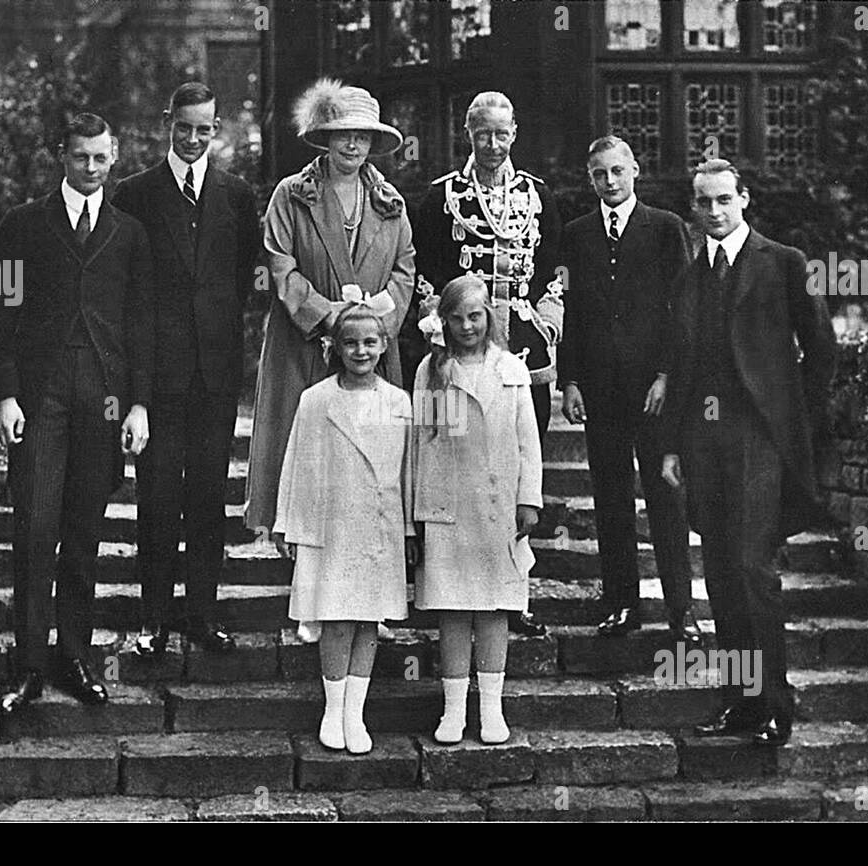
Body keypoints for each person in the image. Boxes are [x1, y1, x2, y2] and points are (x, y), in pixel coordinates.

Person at [660, 159, 836, 746]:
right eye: (702, 202)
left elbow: (821, 350)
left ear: (744, 199)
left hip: (759, 439)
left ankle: (773, 710)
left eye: (723, 200)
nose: (713, 211)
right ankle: (739, 702)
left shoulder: (785, 264)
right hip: (703, 443)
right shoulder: (689, 277)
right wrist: (670, 447)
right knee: (721, 573)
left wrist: (795, 427)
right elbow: (681, 366)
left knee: (753, 568)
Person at [0, 113, 154, 718]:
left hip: (103, 397)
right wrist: (5, 395)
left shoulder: (128, 232)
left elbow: (141, 321)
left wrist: (138, 403)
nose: (90, 168)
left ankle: (75, 656)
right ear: (62, 155)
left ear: (114, 158)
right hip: (40, 394)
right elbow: (0, 315)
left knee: (83, 533)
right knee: (35, 526)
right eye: (80, 157)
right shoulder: (24, 225)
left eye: (101, 159)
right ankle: (29, 665)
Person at [398, 90, 561, 638]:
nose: (493, 144)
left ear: (515, 133)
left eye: (502, 133)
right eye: (482, 133)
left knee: (515, 468)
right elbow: (424, 272)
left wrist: (547, 316)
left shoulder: (539, 196)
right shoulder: (441, 196)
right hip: (457, 348)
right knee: (456, 465)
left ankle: (513, 597)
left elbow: (553, 272)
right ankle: (452, 593)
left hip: (518, 351)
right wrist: (436, 331)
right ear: (467, 134)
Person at [244, 78, 415, 589]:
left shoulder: (390, 202)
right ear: (323, 137)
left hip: (367, 350)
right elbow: (280, 268)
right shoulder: (291, 195)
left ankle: (366, 586)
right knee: (307, 457)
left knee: (368, 463)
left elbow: (405, 271)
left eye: (363, 135)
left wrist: (373, 323)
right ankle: (307, 584)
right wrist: (329, 315)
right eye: (342, 134)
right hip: (305, 345)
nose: (353, 145)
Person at [112, 82, 260, 655]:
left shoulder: (236, 195)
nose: (194, 139)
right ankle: (152, 621)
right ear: (166, 122)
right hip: (156, 373)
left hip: (215, 374)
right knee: (156, 496)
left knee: (206, 496)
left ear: (216, 128)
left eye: (205, 129)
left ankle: (202, 614)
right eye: (184, 127)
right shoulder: (135, 193)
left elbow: (242, 273)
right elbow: (122, 283)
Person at [557, 136, 700, 645]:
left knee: (666, 497)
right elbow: (570, 313)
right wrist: (569, 379)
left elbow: (682, 311)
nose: (610, 182)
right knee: (610, 498)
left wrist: (666, 374)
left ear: (634, 170)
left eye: (618, 171)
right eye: (600, 174)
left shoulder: (665, 229)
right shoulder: (576, 235)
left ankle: (681, 609)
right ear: (590, 178)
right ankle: (621, 602)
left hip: (654, 392)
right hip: (601, 391)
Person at [272, 304, 416, 754]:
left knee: (368, 621)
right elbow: (297, 462)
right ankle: (333, 711)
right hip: (332, 524)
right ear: (334, 347)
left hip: (379, 525)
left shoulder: (399, 402)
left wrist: (410, 529)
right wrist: (287, 524)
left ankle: (356, 712)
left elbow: (408, 472)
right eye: (351, 343)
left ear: (384, 346)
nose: (360, 351)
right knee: (335, 618)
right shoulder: (316, 399)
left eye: (370, 342)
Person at [413, 275, 543, 745]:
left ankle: (491, 708)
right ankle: (452, 712)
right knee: (452, 610)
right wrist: (419, 515)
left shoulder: (511, 370)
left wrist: (528, 498)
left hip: (498, 507)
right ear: (443, 321)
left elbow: (529, 443)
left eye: (475, 316)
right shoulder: (433, 371)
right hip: (448, 505)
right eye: (457, 318)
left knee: (494, 610)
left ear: (490, 317)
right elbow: (424, 445)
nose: (467, 326)